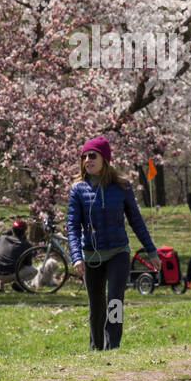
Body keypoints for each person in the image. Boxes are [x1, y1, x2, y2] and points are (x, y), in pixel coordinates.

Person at [66, 136, 159, 350]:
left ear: (105, 159)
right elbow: (72, 226)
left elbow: (136, 221)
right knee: (96, 305)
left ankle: (113, 346)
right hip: (91, 255)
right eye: (84, 157)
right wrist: (76, 257)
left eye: (93, 156)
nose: (87, 160)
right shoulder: (78, 189)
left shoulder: (122, 187)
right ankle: (95, 348)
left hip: (118, 252)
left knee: (115, 301)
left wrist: (151, 251)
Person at [0, 218, 32, 292]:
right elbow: (28, 264)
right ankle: (18, 283)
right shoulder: (26, 245)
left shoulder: (1, 238)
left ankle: (1, 285)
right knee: (33, 271)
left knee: (0, 258)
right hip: (10, 275)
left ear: (12, 229)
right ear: (24, 232)